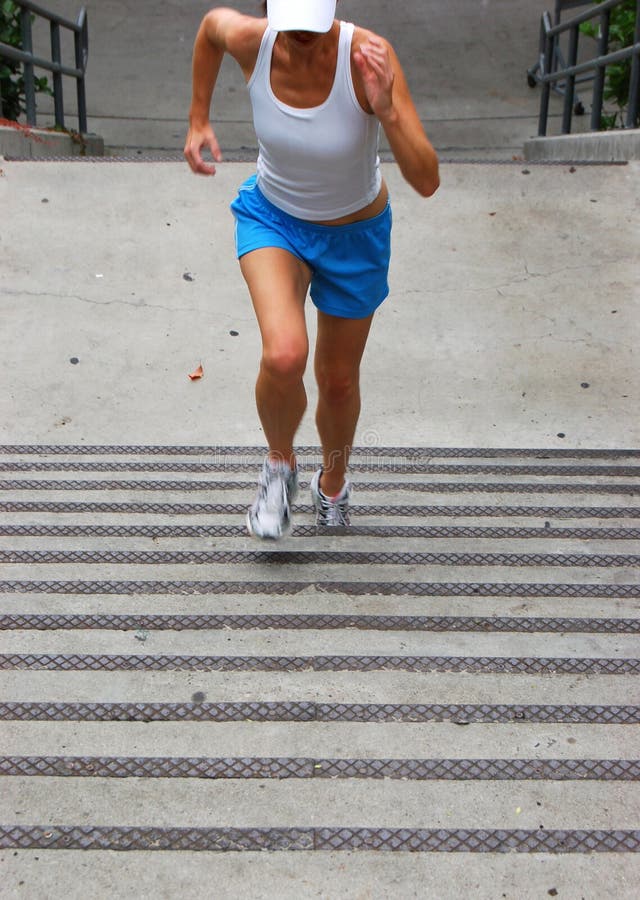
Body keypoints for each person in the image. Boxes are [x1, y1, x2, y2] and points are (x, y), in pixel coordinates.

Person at [184, 0, 439, 539]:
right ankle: (280, 469)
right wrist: (198, 117)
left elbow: (427, 178)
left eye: (312, 26)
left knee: (338, 382)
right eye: (291, 23)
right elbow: (210, 30)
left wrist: (387, 110)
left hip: (355, 235)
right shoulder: (253, 41)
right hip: (273, 221)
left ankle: (334, 480)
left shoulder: (367, 57)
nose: (301, 35)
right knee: (284, 355)